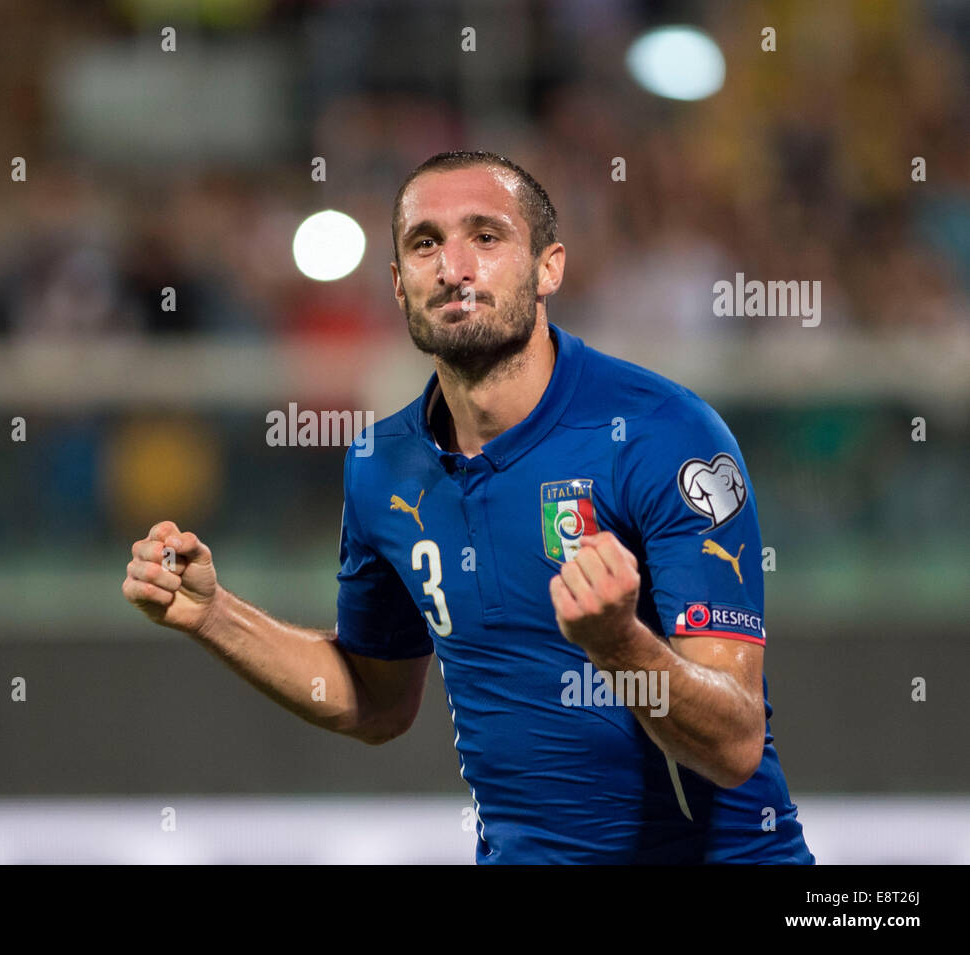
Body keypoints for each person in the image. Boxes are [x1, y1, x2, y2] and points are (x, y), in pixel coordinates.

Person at [123, 150, 813, 864]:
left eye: (486, 236)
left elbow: (733, 745)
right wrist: (213, 615)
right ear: (398, 284)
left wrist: (617, 643)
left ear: (549, 267)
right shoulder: (379, 465)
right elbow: (376, 697)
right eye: (426, 243)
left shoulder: (663, 434)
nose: (454, 266)